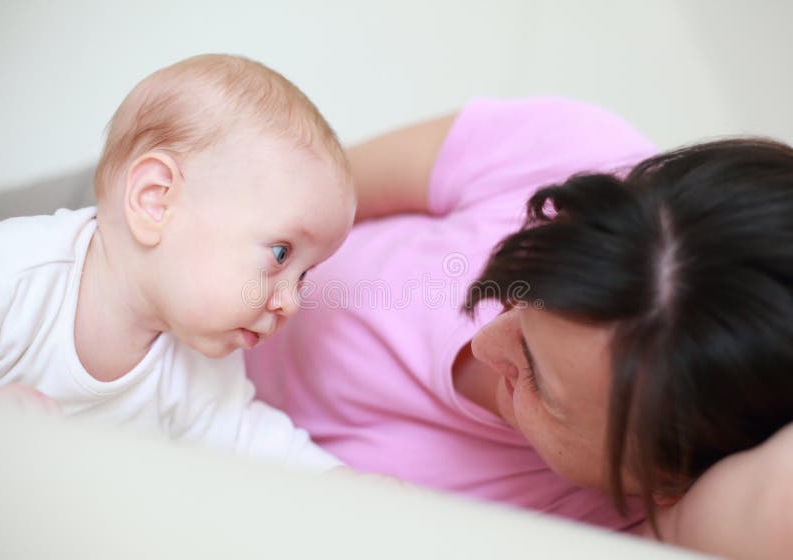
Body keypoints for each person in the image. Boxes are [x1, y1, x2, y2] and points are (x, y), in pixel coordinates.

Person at [245, 97, 793, 554]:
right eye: (514, 294)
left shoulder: (619, 530)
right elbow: (273, 204)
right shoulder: (572, 154)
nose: (482, 344)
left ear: (665, 480)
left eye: (538, 383)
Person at [0, 54, 356, 471]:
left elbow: (250, 440)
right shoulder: (15, 278)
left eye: (305, 274)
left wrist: (341, 482)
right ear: (156, 201)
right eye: (280, 254)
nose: (290, 303)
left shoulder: (195, 362)